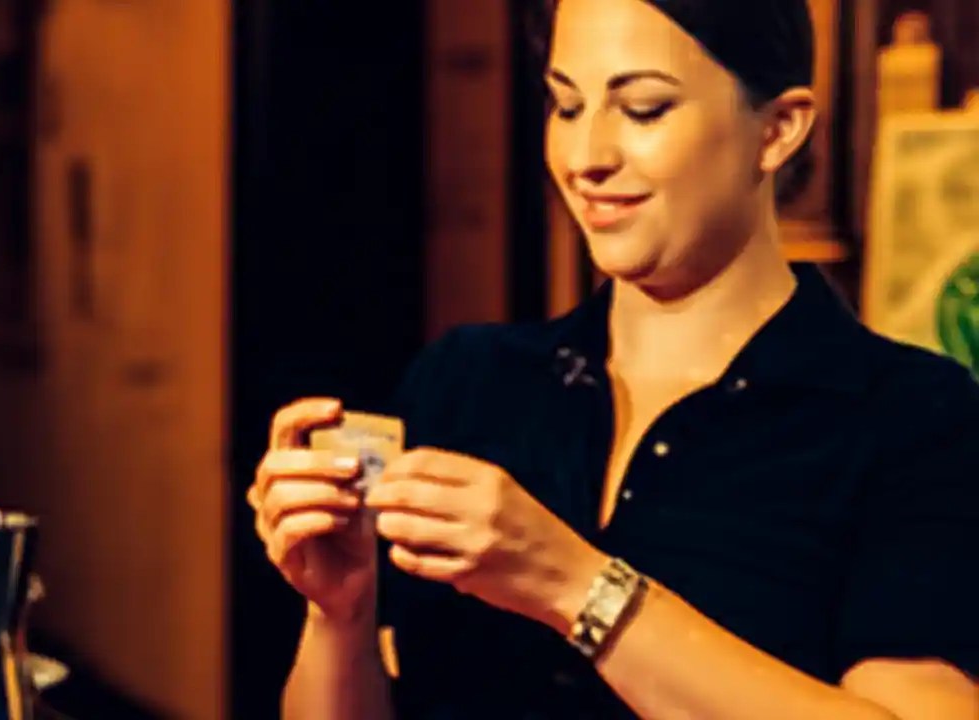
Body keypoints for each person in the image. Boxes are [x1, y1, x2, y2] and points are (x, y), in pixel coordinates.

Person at [246, 0, 979, 717]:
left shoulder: (912, 417)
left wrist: (576, 586)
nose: (587, 157)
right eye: (566, 107)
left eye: (644, 109)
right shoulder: (467, 382)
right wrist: (339, 617)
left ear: (778, 129)